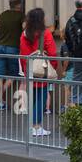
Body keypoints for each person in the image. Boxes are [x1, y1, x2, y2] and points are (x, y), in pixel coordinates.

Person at [19, 7, 58, 136]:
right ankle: (36, 126)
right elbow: (52, 53)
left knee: (33, 99)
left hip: (30, 70)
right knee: (41, 99)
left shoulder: (24, 34)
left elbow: (23, 54)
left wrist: (26, 69)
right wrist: (53, 66)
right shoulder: (45, 33)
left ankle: (33, 125)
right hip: (42, 71)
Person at [0, 0, 23, 109]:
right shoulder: (20, 15)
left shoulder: (2, 15)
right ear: (19, 5)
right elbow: (25, 27)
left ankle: (0, 102)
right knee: (13, 75)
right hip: (13, 48)